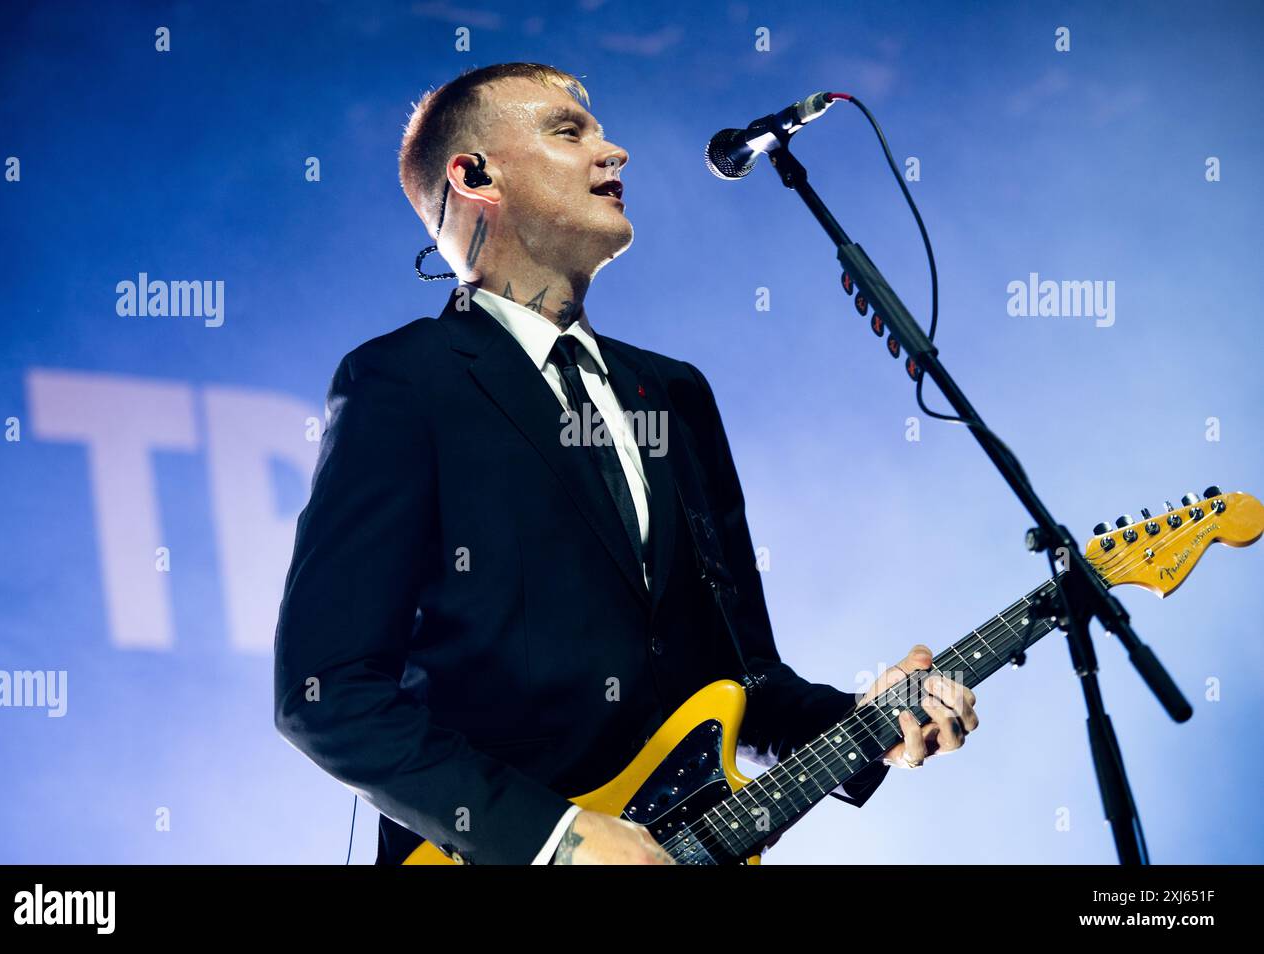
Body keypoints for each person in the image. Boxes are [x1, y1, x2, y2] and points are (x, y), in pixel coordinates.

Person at [273, 62, 978, 866]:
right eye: (569, 132)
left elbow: (743, 683)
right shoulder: (402, 383)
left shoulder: (673, 393)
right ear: (473, 175)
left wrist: (868, 720)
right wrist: (552, 840)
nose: (617, 154)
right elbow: (326, 694)